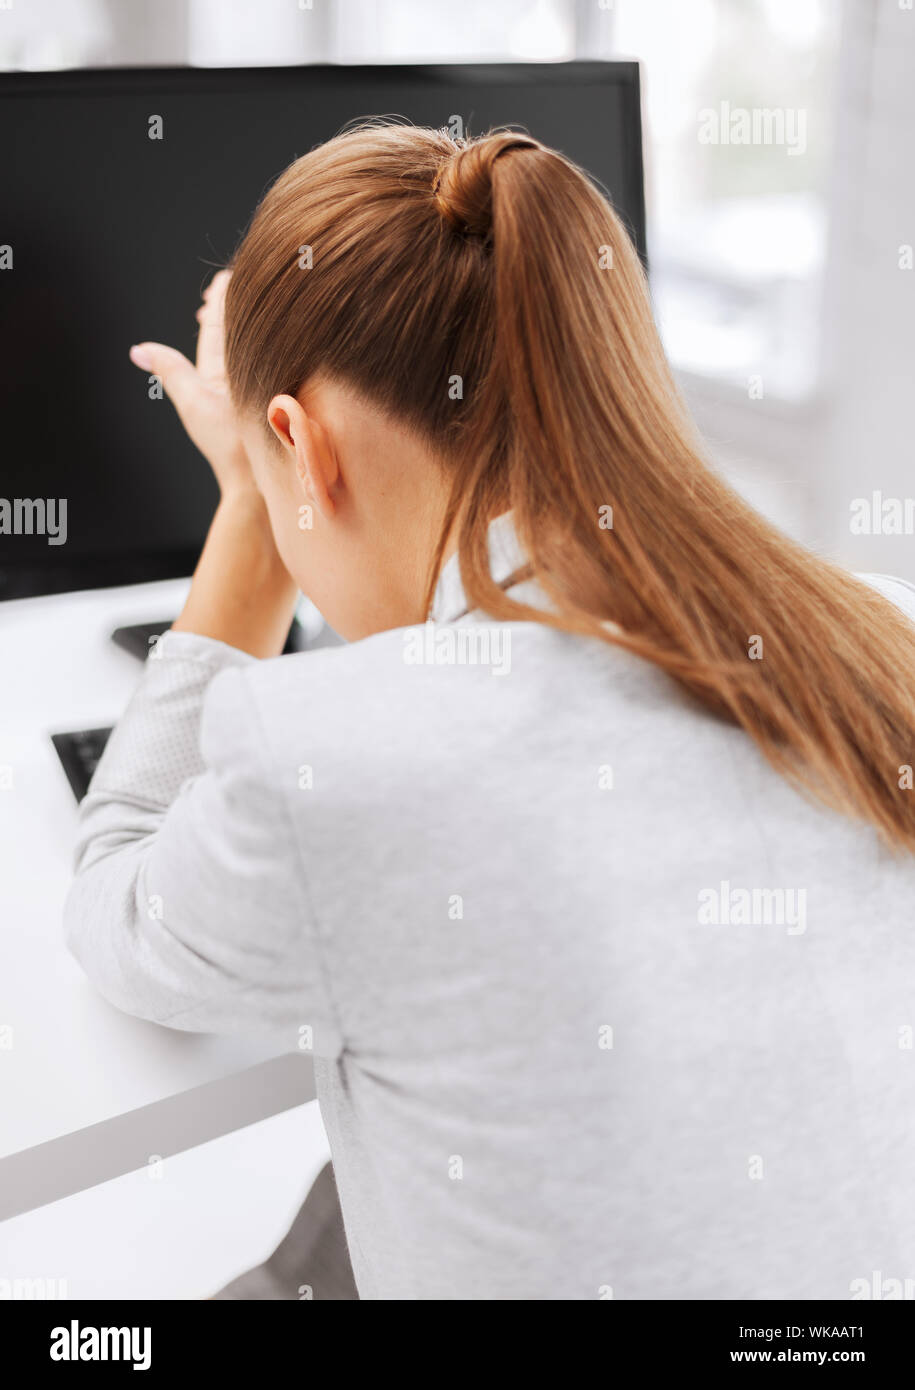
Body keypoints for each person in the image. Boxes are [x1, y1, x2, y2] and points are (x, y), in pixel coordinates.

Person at [65, 124, 915, 1301]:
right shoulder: (877, 637)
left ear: (299, 444)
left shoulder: (339, 758)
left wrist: (254, 515)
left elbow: (118, 899)